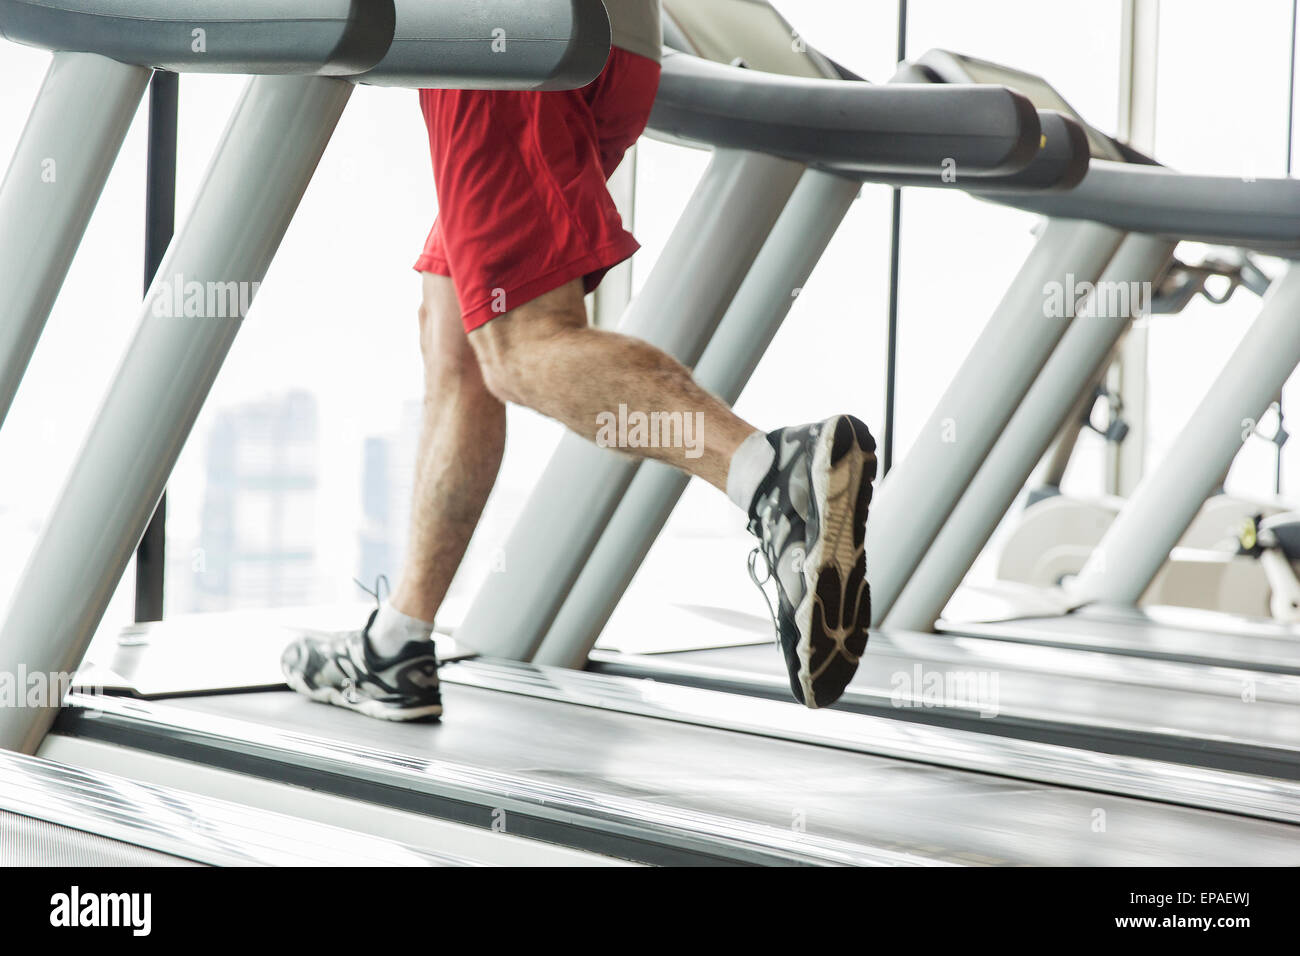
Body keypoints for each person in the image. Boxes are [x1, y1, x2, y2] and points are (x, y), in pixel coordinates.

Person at [281, 0, 875, 719]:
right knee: (460, 337)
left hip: (504, 40)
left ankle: (765, 472)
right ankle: (396, 646)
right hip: (612, 44)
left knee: (520, 343)